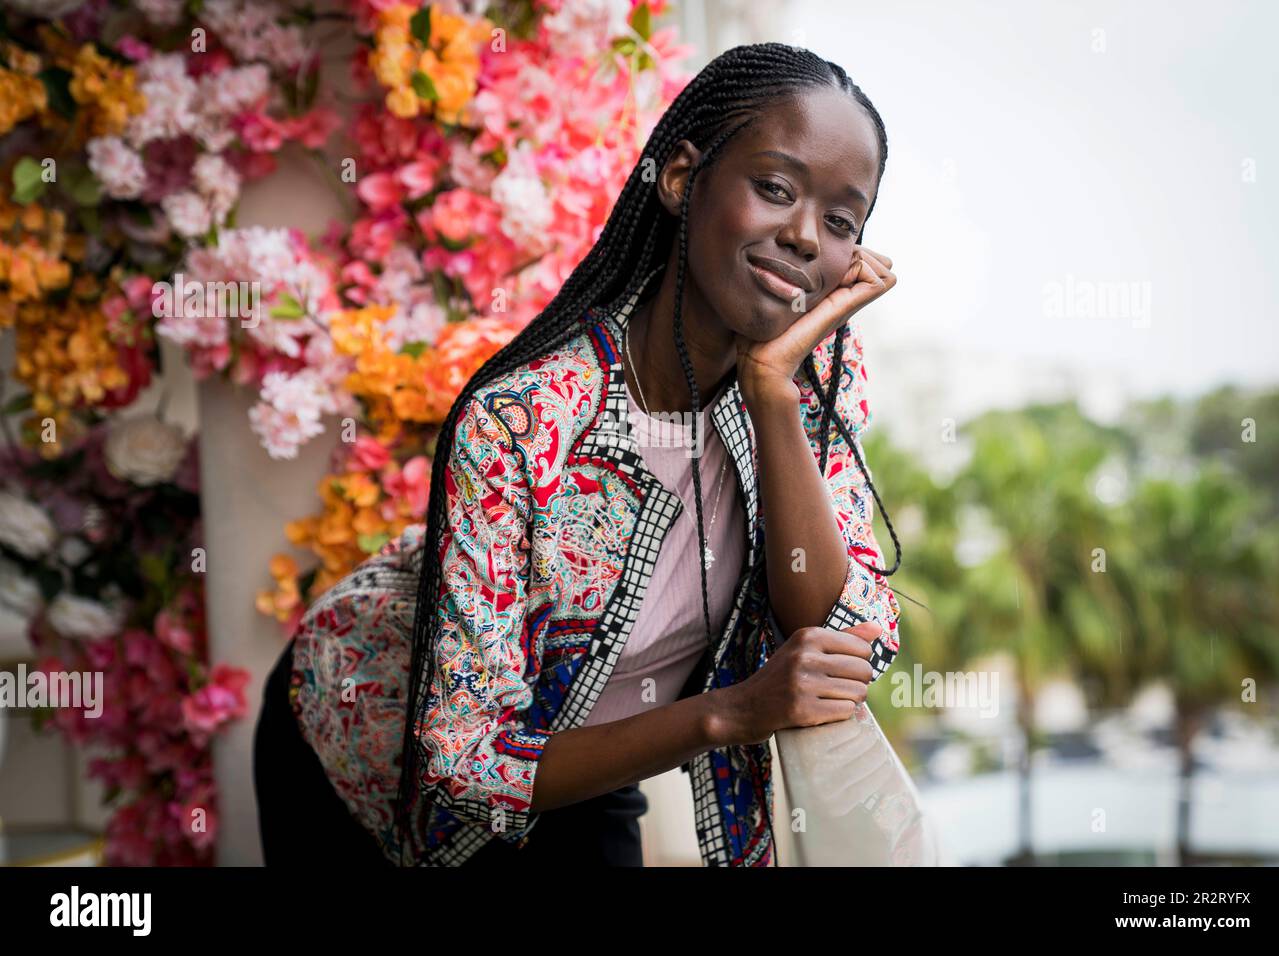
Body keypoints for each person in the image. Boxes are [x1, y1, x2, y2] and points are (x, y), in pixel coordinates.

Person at [253, 41, 904, 868]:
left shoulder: (813, 394)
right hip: (360, 741)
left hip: (593, 758)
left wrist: (771, 389)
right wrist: (726, 715)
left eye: (842, 220)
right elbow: (465, 763)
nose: (808, 235)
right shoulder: (521, 422)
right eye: (774, 188)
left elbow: (840, 631)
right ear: (680, 179)